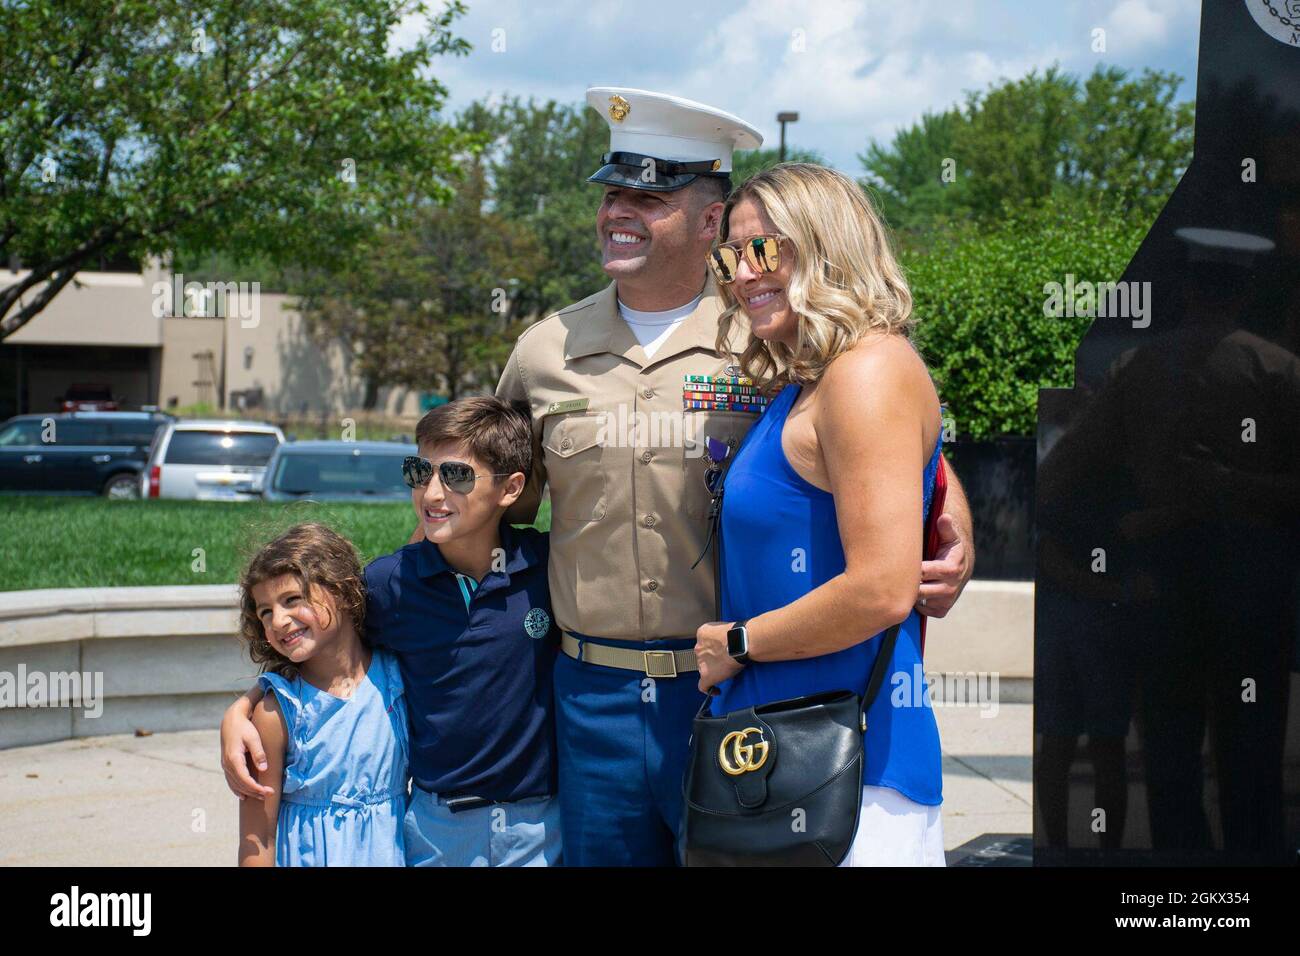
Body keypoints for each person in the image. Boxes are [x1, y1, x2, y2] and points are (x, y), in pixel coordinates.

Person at [472, 87, 976, 866]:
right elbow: (480, 509)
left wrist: (953, 519)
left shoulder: (772, 336)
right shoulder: (544, 350)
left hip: (740, 689)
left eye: (649, 194)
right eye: (612, 193)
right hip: (593, 695)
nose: (618, 212)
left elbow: (890, 442)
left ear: (708, 217)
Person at [692, 162, 947, 866]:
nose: (742, 274)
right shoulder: (812, 382)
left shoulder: (867, 372)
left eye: (765, 249)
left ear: (827, 245)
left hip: (852, 777)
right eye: (730, 255)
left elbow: (882, 588)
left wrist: (737, 644)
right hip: (789, 760)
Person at [225, 397, 562, 866]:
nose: (432, 493)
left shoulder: (550, 567)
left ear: (511, 488)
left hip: (541, 829)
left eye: (456, 476)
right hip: (436, 832)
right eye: (419, 472)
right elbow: (322, 644)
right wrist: (242, 710)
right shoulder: (389, 585)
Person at [236, 522, 408, 867]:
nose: (278, 621)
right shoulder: (276, 713)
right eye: (265, 611)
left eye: (291, 600)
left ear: (343, 592)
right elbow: (258, 836)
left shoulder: (397, 679)